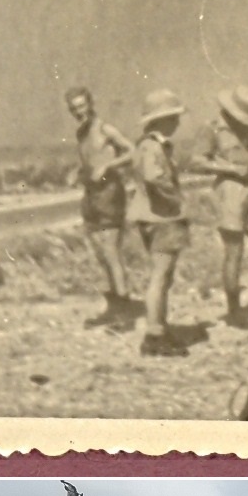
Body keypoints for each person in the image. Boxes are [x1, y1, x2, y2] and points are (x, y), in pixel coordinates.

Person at [192, 86, 248, 328]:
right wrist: (230, 169)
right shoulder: (211, 128)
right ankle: (234, 312)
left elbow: (246, 160)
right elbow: (196, 161)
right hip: (229, 192)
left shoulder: (244, 129)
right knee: (235, 252)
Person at [64, 86, 137, 331]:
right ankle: (115, 308)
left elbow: (132, 151)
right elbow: (89, 160)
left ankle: (125, 316)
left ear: (91, 104)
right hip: (91, 194)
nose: (78, 112)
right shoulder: (81, 134)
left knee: (111, 252)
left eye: (82, 106)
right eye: (74, 109)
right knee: (100, 253)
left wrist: (109, 166)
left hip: (110, 193)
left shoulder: (105, 128)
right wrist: (77, 171)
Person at [128, 89, 190, 358]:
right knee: (161, 276)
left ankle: (159, 329)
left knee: (162, 275)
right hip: (161, 217)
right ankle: (155, 333)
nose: (177, 122)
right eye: (173, 117)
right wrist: (175, 199)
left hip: (151, 216)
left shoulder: (147, 145)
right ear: (161, 120)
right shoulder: (152, 146)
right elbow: (154, 178)